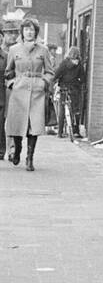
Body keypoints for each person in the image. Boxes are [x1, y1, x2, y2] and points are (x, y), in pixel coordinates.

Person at [4, 17, 55, 171]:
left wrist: (44, 82)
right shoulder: (14, 50)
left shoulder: (43, 50)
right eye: (26, 29)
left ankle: (30, 158)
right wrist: (12, 82)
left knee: (34, 126)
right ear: (22, 32)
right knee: (18, 125)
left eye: (32, 29)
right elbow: (8, 71)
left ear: (36, 32)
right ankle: (18, 149)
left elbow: (50, 72)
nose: (29, 32)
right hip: (19, 92)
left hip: (36, 93)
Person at [53, 46, 85, 140]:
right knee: (76, 109)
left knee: (62, 109)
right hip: (74, 89)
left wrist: (56, 81)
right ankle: (76, 132)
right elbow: (83, 78)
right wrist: (78, 83)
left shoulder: (64, 63)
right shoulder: (79, 65)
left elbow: (57, 74)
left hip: (64, 88)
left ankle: (60, 132)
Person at [0, 19, 20, 160]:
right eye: (9, 33)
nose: (12, 36)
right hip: (2, 91)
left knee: (13, 121)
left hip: (14, 90)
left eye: (15, 33)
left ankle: (12, 149)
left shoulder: (20, 51)